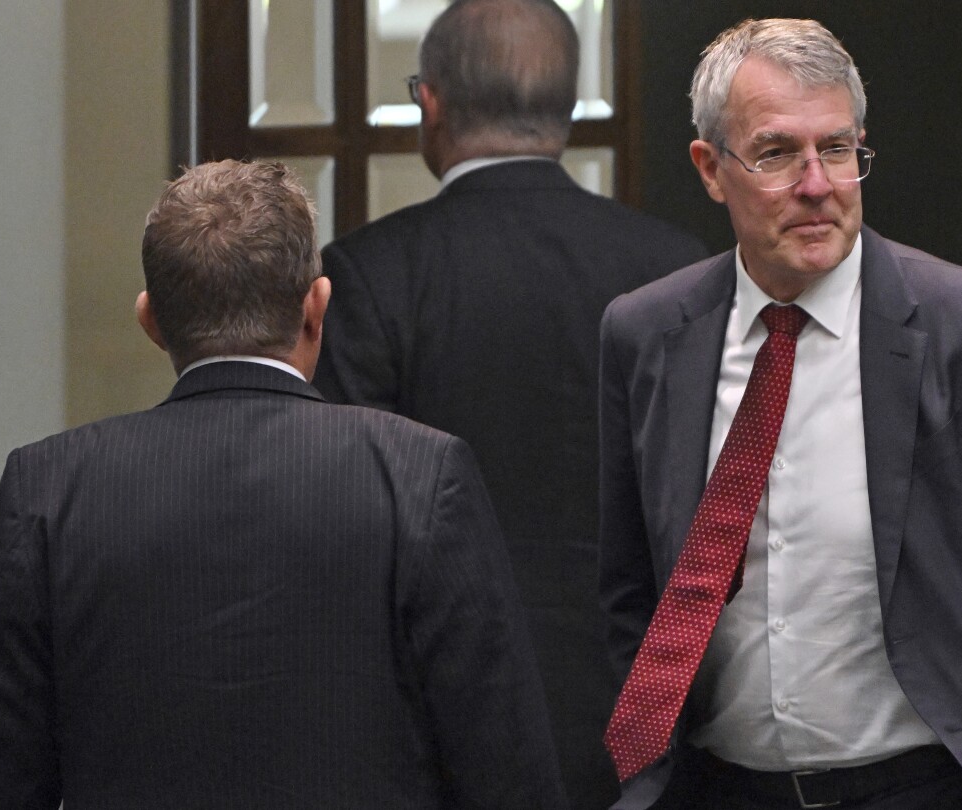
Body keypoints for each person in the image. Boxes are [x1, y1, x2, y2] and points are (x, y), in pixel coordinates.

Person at [0, 159, 567, 809]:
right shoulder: (422, 477)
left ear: (151, 320)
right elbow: (507, 775)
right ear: (316, 308)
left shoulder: (46, 491)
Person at [598, 18, 962, 810]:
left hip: (921, 788)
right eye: (778, 153)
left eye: (838, 149)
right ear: (711, 169)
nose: (818, 183)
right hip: (717, 790)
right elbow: (629, 589)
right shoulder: (646, 334)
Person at [312, 1, 707, 805]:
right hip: (646, 715)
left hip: (440, 715)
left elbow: (339, 520)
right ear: (566, 110)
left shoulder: (367, 274)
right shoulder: (677, 270)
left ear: (431, 104)